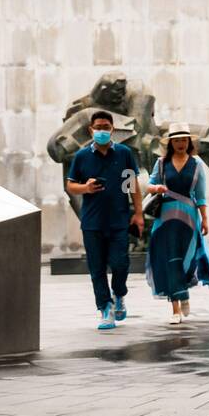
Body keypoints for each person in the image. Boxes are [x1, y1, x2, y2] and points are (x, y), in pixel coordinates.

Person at [65, 110, 143, 330]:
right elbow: (70, 185)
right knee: (96, 269)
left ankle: (119, 294)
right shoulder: (81, 156)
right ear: (91, 130)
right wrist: (86, 188)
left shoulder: (124, 153)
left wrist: (137, 214)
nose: (101, 131)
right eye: (97, 127)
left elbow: (132, 186)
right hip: (92, 222)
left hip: (119, 220)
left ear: (112, 129)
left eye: (105, 127)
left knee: (120, 263)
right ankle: (105, 308)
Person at [144, 123, 209, 324]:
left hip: (188, 217)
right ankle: (175, 307)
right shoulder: (161, 163)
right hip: (166, 217)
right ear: (170, 143)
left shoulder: (197, 165)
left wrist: (205, 219)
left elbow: (200, 196)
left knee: (187, 259)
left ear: (189, 142)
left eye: (184, 140)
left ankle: (183, 292)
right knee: (171, 259)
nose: (180, 143)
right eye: (176, 140)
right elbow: (148, 185)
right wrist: (156, 187)